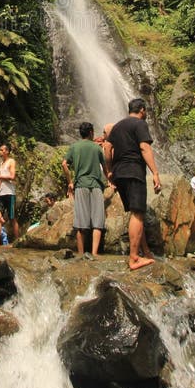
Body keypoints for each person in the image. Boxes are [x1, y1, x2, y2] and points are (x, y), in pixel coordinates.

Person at [106, 98, 162, 270]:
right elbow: (145, 148)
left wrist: (109, 171)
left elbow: (107, 148)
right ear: (142, 110)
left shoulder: (117, 127)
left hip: (119, 174)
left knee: (136, 214)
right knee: (138, 213)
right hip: (133, 171)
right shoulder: (139, 124)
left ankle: (145, 252)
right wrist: (155, 173)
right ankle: (134, 258)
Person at [62, 122, 107, 259]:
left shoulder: (74, 147)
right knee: (98, 222)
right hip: (96, 185)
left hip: (80, 185)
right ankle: (94, 253)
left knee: (81, 223)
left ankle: (81, 255)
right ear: (91, 132)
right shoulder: (96, 148)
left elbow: (64, 164)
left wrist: (70, 182)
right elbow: (104, 167)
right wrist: (110, 180)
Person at [0, 143, 19, 242]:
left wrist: (1, 177)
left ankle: (17, 241)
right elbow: (0, 179)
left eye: (2, 150)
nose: (0, 152)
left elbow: (12, 176)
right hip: (1, 194)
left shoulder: (11, 161)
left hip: (10, 193)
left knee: (12, 218)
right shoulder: (1, 164)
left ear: (7, 151)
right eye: (0, 150)